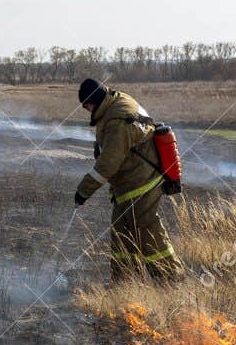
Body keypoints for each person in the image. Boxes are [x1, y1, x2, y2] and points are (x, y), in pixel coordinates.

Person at [72, 78, 185, 282]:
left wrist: (83, 191)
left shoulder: (117, 120)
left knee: (146, 230)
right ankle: (125, 282)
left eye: (86, 106)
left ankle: (170, 278)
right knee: (121, 231)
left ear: (92, 101)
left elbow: (108, 163)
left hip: (142, 181)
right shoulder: (116, 101)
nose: (87, 110)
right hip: (129, 184)